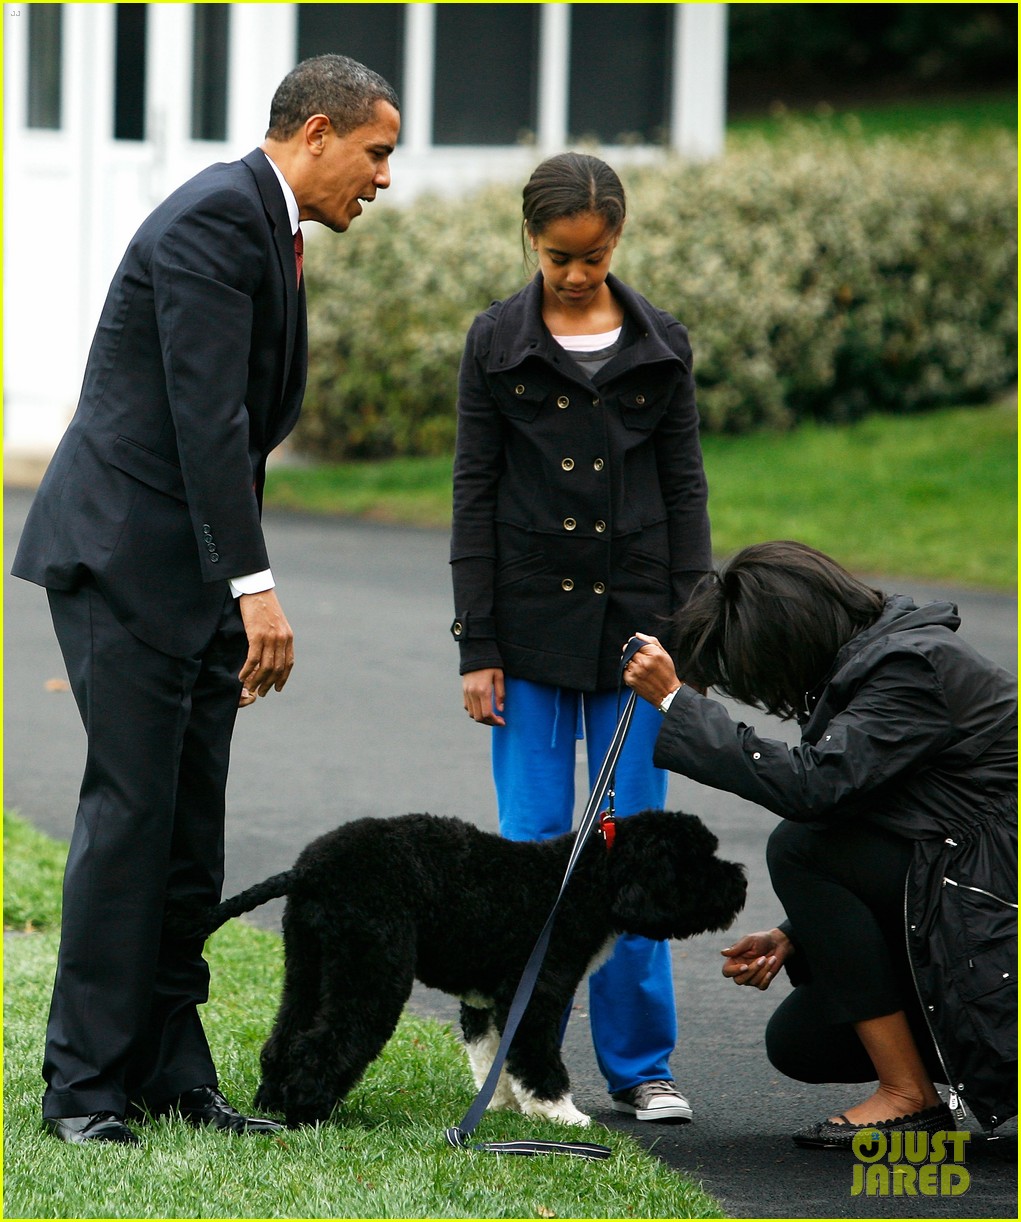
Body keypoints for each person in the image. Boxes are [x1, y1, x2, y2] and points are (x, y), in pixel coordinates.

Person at [12, 54, 400, 1146]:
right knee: (131, 821)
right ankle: (83, 1091)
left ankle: (172, 1075)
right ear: (315, 133)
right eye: (376, 153)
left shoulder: (264, 227)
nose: (382, 179)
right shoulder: (213, 222)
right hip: (125, 557)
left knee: (187, 836)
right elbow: (205, 422)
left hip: (187, 573)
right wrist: (257, 586)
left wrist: (231, 586)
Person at [449, 152, 712, 1122]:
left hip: (636, 632)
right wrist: (477, 644)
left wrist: (690, 626)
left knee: (631, 846)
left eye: (594, 258)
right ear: (532, 241)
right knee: (527, 853)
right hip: (520, 633)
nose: (576, 274)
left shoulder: (661, 345)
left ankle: (642, 1065)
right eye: (560, 257)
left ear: (618, 243)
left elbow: (684, 491)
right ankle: (524, 1060)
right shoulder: (493, 342)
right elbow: (472, 492)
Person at [622, 540, 1017, 1146]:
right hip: (974, 884)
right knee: (803, 1041)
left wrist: (677, 702)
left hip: (998, 905)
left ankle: (910, 1098)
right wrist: (798, 931)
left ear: (787, 637)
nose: (759, 688)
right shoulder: (885, 656)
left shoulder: (912, 666)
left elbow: (818, 788)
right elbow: (891, 823)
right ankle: (936, 1079)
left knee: (800, 845)